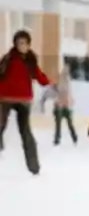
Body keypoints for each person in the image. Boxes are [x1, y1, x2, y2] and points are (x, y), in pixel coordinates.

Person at [0, 30, 51, 174]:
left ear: (29, 44)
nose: (22, 45)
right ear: (15, 44)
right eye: (19, 43)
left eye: (24, 43)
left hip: (23, 100)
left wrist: (48, 81)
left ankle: (34, 166)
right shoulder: (8, 58)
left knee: (26, 132)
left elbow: (39, 76)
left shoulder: (31, 60)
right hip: (5, 98)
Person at [50, 65, 77, 146]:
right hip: (60, 106)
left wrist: (69, 101)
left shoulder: (66, 81)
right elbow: (59, 92)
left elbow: (66, 93)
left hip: (64, 106)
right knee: (61, 124)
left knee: (67, 124)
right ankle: (59, 139)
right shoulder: (62, 81)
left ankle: (73, 138)